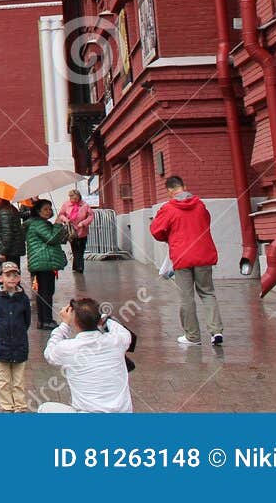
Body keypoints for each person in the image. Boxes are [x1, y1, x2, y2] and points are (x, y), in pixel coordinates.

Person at [148, 175, 223, 347]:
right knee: (207, 292)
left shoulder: (168, 209)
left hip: (182, 256)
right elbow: (206, 222)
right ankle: (216, 331)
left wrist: (170, 236)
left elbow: (156, 231)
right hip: (204, 254)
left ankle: (192, 336)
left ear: (169, 191)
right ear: (184, 186)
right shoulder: (200, 205)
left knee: (186, 297)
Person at [39, 297, 133, 413]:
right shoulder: (117, 340)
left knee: (44, 409)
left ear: (76, 323)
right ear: (99, 321)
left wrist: (64, 324)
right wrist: (102, 317)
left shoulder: (68, 348)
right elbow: (121, 330)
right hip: (122, 413)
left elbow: (49, 353)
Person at [0, 261, 31, 412]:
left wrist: (19, 334)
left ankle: (20, 405)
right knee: (4, 380)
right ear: (0, 278)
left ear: (19, 278)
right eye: (8, 275)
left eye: (15, 275)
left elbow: (27, 320)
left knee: (18, 380)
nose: (12, 278)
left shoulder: (23, 299)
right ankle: (6, 406)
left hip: (19, 344)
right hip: (1, 345)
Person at [25, 198, 67, 329]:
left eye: (50, 209)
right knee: (46, 292)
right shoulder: (38, 224)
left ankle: (43, 320)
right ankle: (46, 320)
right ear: (38, 211)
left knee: (45, 291)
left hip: (44, 261)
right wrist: (58, 224)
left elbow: (57, 238)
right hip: (43, 262)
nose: (48, 211)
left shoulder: (41, 223)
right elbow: (51, 238)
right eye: (45, 209)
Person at [59, 189, 93, 273]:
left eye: (77, 199)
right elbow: (61, 214)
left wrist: (83, 223)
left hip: (82, 230)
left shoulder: (85, 205)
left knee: (81, 248)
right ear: (70, 198)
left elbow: (91, 216)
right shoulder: (66, 204)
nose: (75, 200)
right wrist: (66, 220)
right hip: (71, 231)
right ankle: (80, 267)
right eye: (73, 199)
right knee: (75, 249)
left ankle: (76, 266)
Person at [0, 196, 24, 271]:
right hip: (12, 250)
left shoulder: (5, 212)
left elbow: (7, 233)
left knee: (7, 274)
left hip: (8, 252)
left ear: (0, 199)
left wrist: (3, 252)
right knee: (13, 273)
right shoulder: (9, 209)